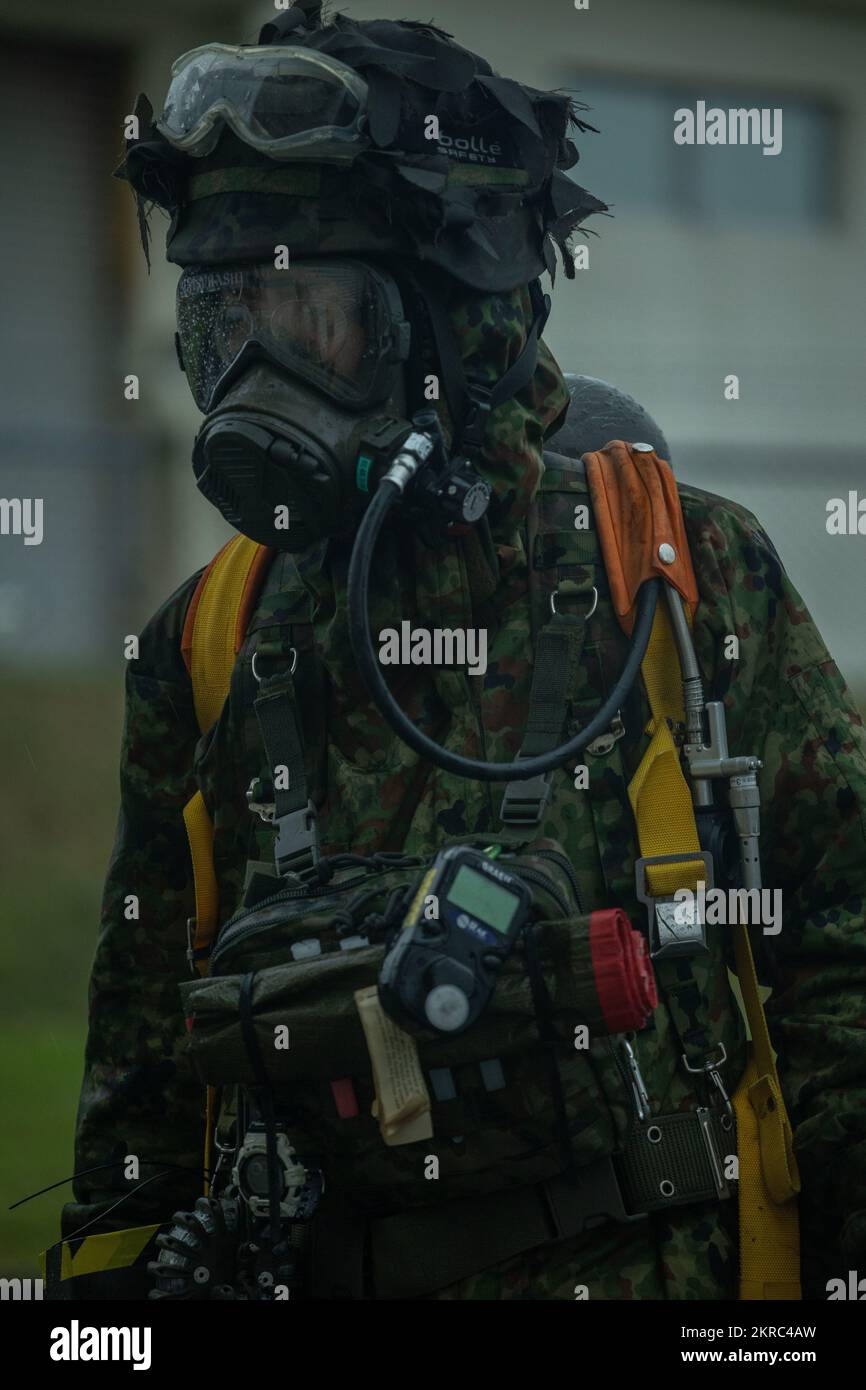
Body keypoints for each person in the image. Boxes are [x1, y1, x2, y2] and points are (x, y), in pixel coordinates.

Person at [57, 4, 866, 1301]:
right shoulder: (205, 643)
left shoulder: (675, 571)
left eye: (305, 313)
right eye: (225, 320)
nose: (256, 371)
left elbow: (834, 969)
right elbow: (144, 1090)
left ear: (448, 318)